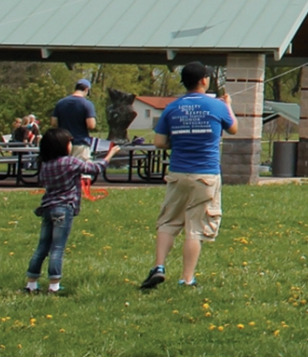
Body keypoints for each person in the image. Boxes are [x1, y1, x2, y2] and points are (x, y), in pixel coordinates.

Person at [141, 62, 236, 291]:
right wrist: (228, 105)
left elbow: (160, 142)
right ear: (204, 80)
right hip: (205, 175)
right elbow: (233, 129)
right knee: (195, 227)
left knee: (168, 221)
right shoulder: (216, 106)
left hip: (177, 173)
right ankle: (187, 278)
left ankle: (159, 267)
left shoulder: (173, 108)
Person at [25, 129, 120, 294]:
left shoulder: (45, 163)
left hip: (47, 208)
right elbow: (95, 169)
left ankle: (31, 284)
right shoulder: (69, 162)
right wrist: (110, 154)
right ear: (61, 146)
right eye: (69, 142)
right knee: (57, 248)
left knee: (42, 247)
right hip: (64, 209)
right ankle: (54, 286)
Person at [51, 78, 98, 147]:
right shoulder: (87, 104)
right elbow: (91, 125)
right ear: (86, 90)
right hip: (80, 142)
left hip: (63, 142)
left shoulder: (60, 103)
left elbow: (54, 123)